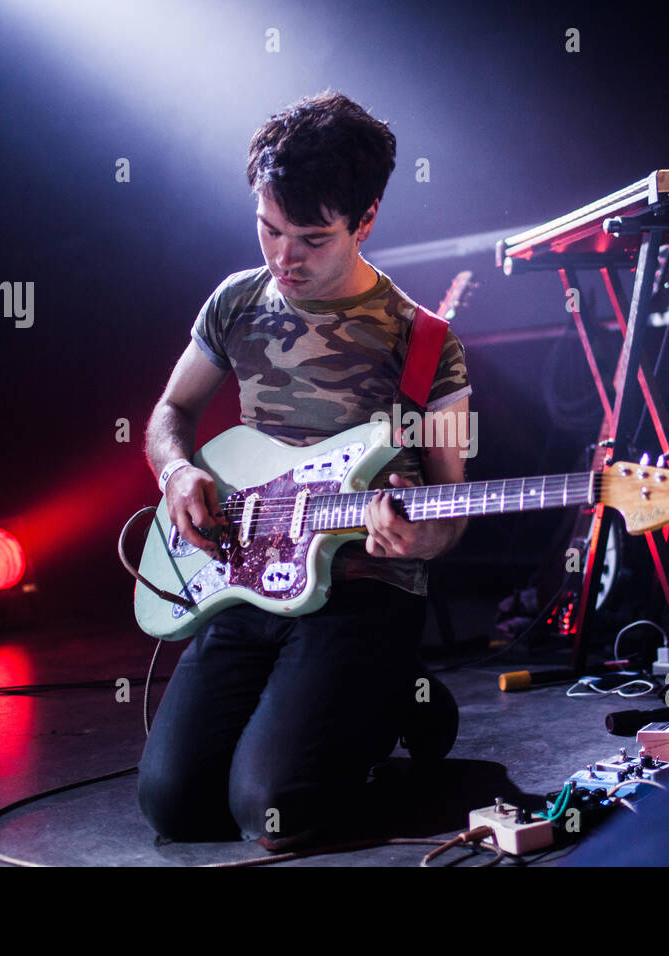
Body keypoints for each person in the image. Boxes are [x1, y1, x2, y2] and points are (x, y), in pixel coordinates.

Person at [137, 91, 469, 850]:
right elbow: (169, 414)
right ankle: (376, 698)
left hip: (361, 593)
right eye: (268, 229)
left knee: (274, 812)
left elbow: (452, 508)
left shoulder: (425, 341)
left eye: (312, 239)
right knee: (175, 805)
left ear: (367, 218)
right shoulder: (235, 303)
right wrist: (177, 474)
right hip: (250, 576)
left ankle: (399, 694)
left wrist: (420, 540)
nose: (283, 258)